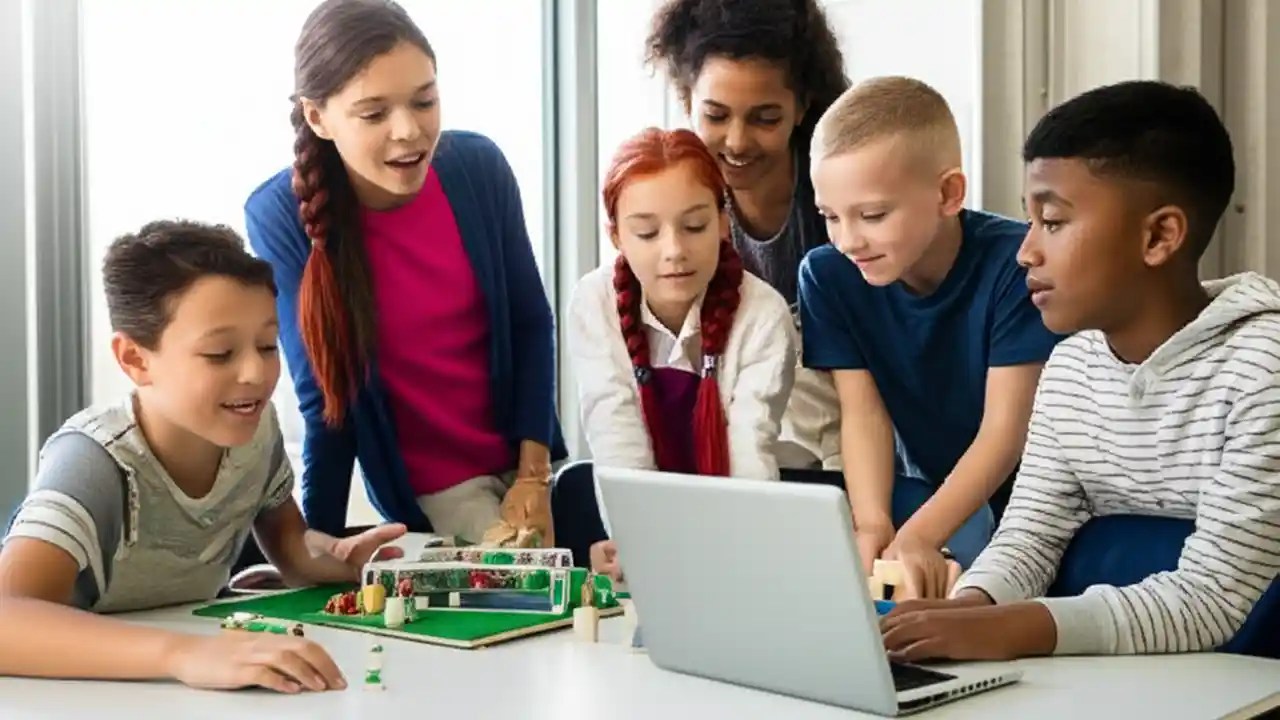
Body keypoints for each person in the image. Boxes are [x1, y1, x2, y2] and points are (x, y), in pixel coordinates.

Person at [882, 80, 1280, 660]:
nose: (1026, 251)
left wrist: (1007, 631)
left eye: (1053, 221)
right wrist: (966, 610)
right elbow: (1030, 537)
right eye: (1028, 220)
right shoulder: (1070, 368)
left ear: (1159, 235)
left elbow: (1211, 599)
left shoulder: (1262, 368)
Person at [0, 221, 402, 691]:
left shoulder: (254, 431)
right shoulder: (96, 463)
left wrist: (331, 558)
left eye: (268, 345)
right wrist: (183, 654)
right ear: (134, 359)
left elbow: (290, 546)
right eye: (219, 353)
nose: (255, 372)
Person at [244, 0, 565, 549]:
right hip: (438, 492)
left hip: (533, 462)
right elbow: (326, 398)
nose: (409, 132)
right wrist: (318, 547)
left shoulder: (477, 168)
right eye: (373, 114)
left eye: (425, 101)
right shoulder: (279, 215)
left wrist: (534, 473)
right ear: (317, 117)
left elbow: (532, 323)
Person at [798, 76, 1063, 597]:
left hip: (1039, 506)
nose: (849, 239)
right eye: (830, 216)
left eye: (872, 215)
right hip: (937, 498)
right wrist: (872, 522)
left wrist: (919, 535)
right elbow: (863, 413)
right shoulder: (827, 276)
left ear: (948, 194)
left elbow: (1005, 432)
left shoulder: (1018, 265)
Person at [561, 127, 797, 576]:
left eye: (694, 226)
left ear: (724, 223)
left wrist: (729, 556)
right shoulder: (594, 303)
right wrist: (640, 545)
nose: (674, 251)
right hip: (653, 528)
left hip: (739, 534)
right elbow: (616, 438)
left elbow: (749, 454)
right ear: (616, 236)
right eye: (647, 233)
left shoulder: (762, 315)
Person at [645, 0, 849, 471]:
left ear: (801, 107)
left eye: (765, 118)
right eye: (716, 116)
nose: (736, 142)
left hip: (845, 448)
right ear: (685, 99)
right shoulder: (674, 200)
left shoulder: (840, 197)